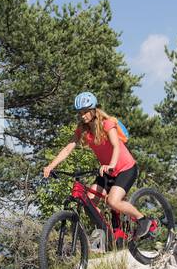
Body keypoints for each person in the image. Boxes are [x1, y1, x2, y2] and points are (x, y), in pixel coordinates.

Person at [43, 92, 156, 240]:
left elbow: (116, 146)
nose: (82, 116)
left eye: (85, 112)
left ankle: (144, 221)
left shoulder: (107, 123)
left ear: (94, 110)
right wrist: (50, 166)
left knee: (113, 201)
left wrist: (111, 165)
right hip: (107, 171)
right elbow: (68, 148)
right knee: (89, 202)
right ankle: (110, 234)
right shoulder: (83, 129)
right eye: (80, 113)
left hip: (125, 168)